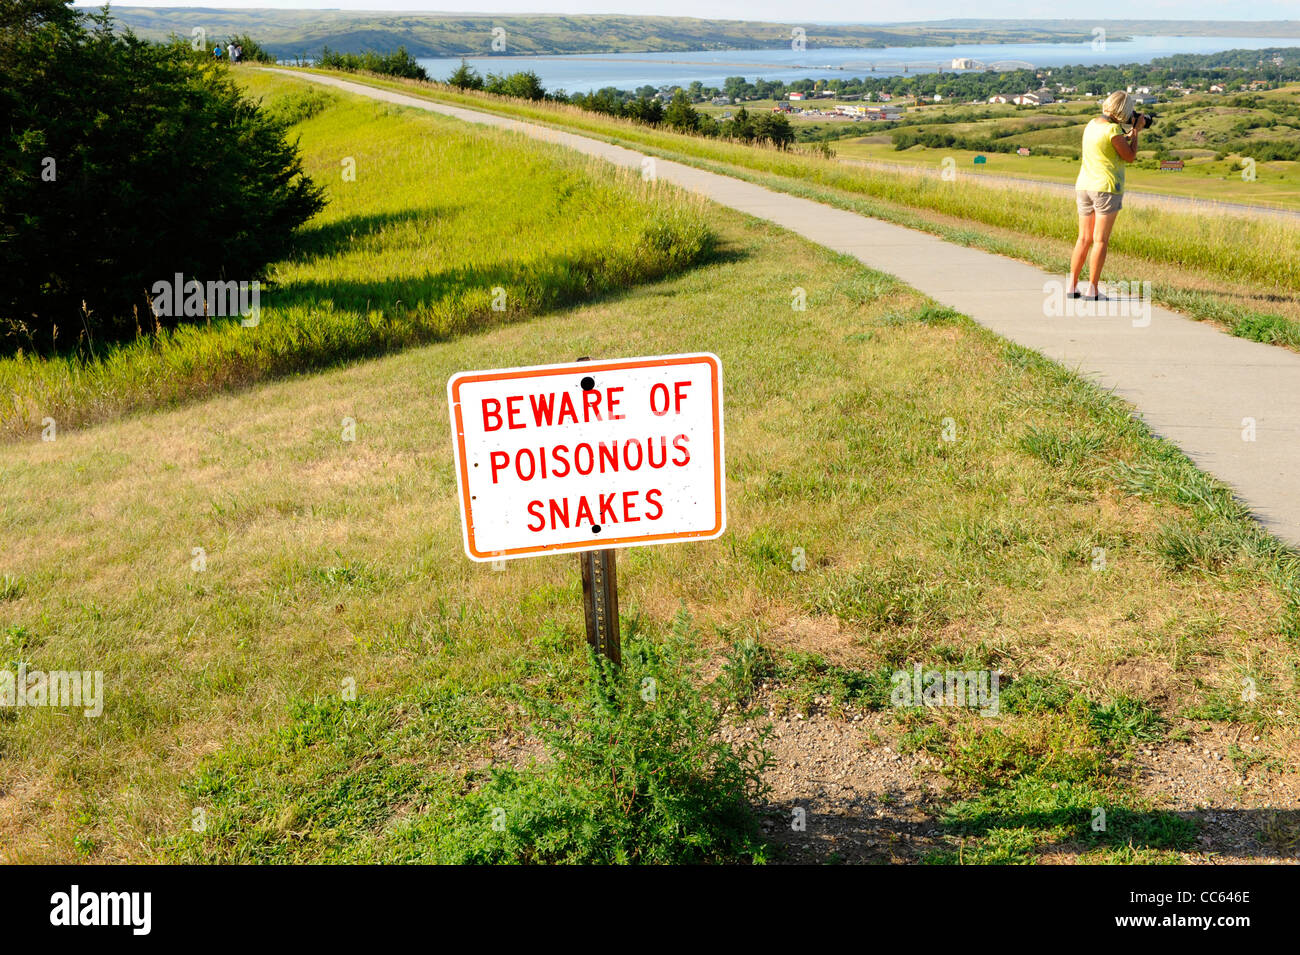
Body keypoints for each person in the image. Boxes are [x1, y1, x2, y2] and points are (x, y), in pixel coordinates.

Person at [1068, 90, 1147, 300]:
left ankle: (1072, 286)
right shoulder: (1113, 130)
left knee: (1083, 238)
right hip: (1106, 188)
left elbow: (1109, 148)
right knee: (1100, 240)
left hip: (1084, 185)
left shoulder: (1092, 124)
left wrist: (1126, 136)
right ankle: (1092, 289)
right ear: (1124, 110)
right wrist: (1136, 132)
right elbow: (1129, 157)